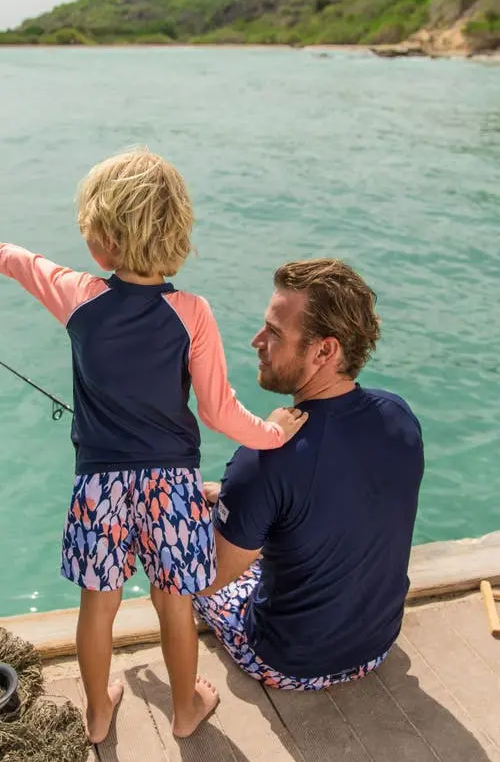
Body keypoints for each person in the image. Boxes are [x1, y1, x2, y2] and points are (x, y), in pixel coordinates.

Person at [0, 148, 308, 742]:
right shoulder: (191, 313)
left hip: (99, 484)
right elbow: (219, 411)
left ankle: (96, 712)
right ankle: (187, 706)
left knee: (99, 603)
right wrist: (274, 433)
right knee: (175, 600)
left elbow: (19, 260)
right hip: (172, 485)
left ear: (103, 240)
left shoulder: (78, 294)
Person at [195, 258, 424, 690]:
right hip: (377, 645)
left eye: (275, 333)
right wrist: (236, 496)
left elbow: (207, 578)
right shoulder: (400, 417)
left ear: (324, 351)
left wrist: (180, 513)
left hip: (289, 663)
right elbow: (334, 503)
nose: (255, 341)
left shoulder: (264, 456)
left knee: (180, 563)